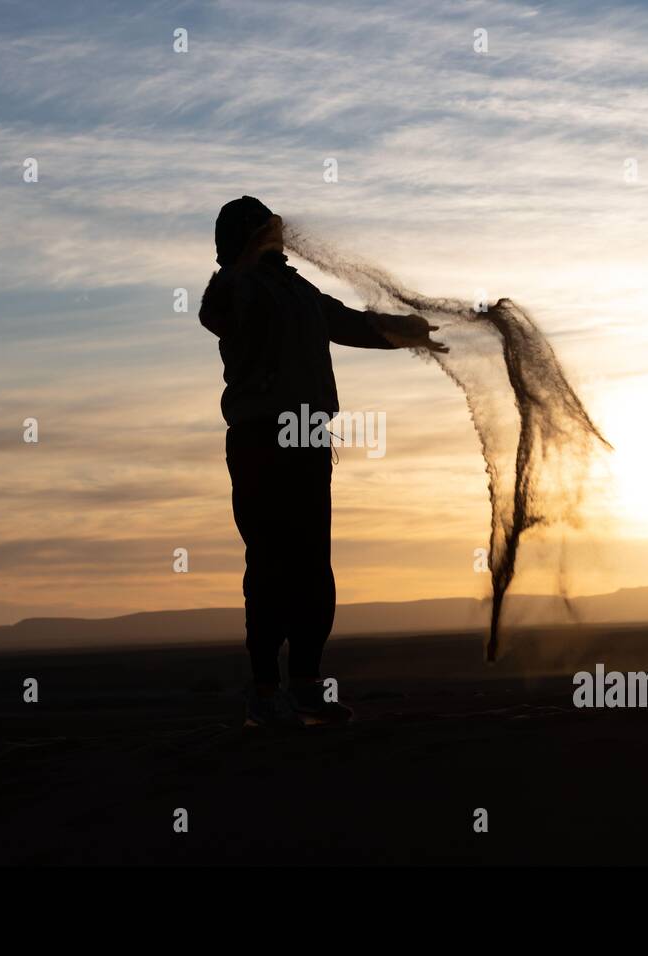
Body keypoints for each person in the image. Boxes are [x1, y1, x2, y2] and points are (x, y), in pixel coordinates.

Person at [199, 196, 445, 727]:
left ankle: (306, 686)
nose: (280, 236)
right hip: (262, 435)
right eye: (267, 230)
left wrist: (408, 330)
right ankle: (265, 694)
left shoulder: (298, 289)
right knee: (269, 564)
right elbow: (215, 314)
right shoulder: (234, 287)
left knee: (312, 566)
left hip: (310, 435)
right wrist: (239, 266)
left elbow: (349, 324)